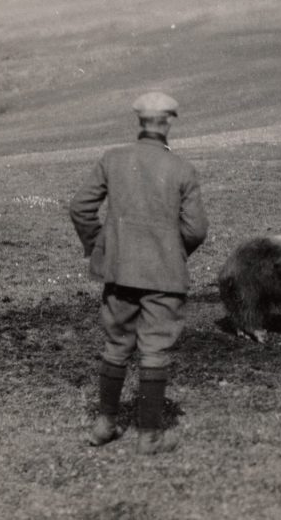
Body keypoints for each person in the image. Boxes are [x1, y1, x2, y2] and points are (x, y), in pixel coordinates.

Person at [69, 91, 209, 455]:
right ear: (167, 123)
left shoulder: (112, 160)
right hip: (164, 276)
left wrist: (102, 248)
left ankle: (104, 425)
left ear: (140, 122)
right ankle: (149, 436)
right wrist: (174, 254)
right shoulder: (181, 169)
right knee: (154, 350)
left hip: (119, 273)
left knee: (116, 345)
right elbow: (196, 230)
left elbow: (81, 208)